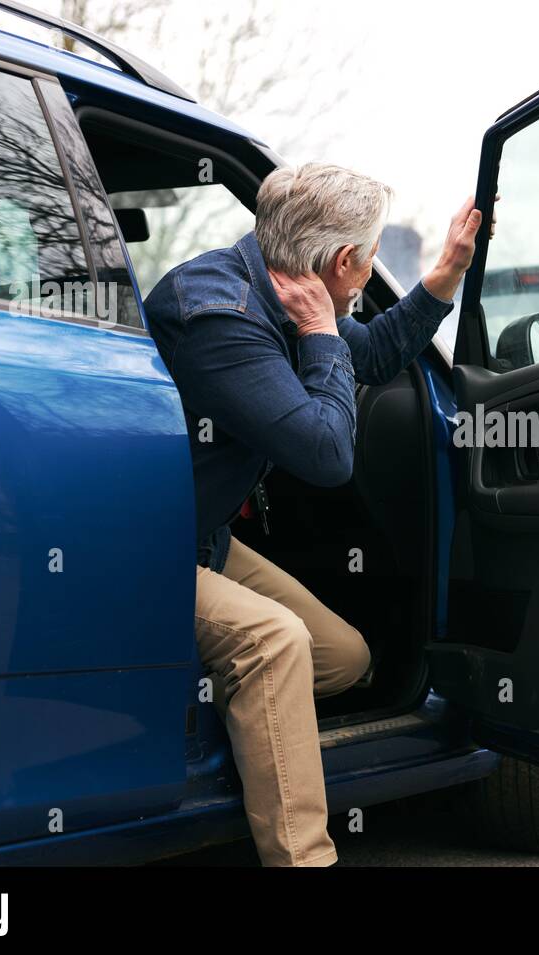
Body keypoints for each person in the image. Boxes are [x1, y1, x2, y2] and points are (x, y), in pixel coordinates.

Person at [144, 162, 483, 864]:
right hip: (145, 548)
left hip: (200, 538)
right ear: (342, 261)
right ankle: (305, 856)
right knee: (274, 643)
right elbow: (327, 455)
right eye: (369, 261)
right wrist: (323, 338)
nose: (365, 277)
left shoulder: (286, 292)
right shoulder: (219, 315)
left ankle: (249, 725)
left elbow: (380, 352)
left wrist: (447, 271)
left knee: (345, 656)